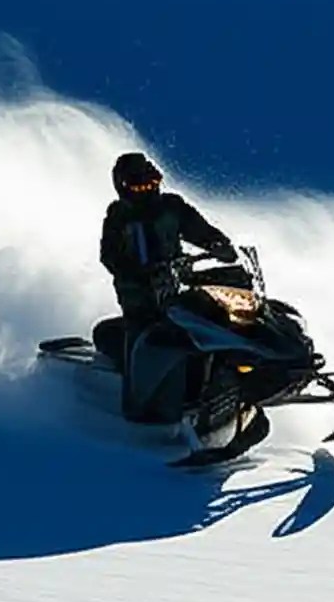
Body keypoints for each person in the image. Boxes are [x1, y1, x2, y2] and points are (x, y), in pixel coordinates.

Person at [95, 151, 237, 419]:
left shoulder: (171, 206)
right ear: (124, 188)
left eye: (153, 183)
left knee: (216, 319)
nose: (149, 191)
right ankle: (140, 410)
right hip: (140, 300)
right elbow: (109, 255)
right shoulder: (119, 216)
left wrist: (219, 244)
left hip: (177, 290)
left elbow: (198, 228)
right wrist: (138, 272)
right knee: (147, 341)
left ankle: (230, 383)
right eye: (140, 187)